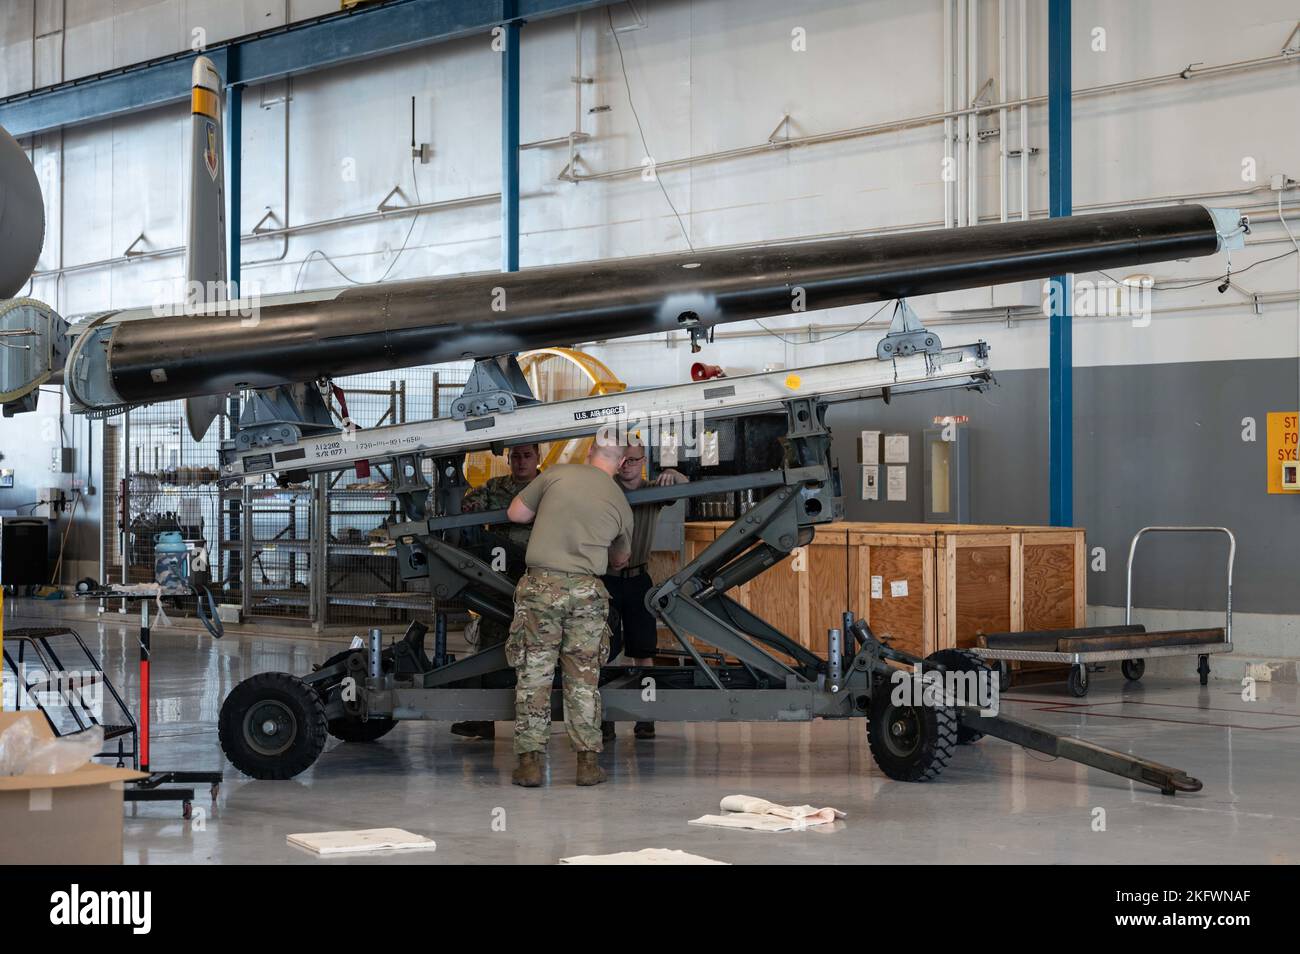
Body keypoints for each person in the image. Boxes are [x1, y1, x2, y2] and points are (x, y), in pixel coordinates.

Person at [504, 442, 634, 787]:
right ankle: (588, 764)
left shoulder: (556, 475)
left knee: (534, 673)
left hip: (541, 587)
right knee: (583, 680)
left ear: (589, 453)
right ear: (621, 462)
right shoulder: (621, 501)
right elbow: (621, 560)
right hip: (587, 593)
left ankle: (530, 765)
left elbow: (515, 515)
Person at [451, 443, 540, 741]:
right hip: (500, 575)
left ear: (538, 457)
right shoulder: (495, 487)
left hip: (537, 575)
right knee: (490, 643)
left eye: (527, 456)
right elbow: (466, 507)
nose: (521, 462)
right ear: (508, 459)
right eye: (516, 456)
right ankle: (483, 719)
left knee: (545, 647)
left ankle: (538, 719)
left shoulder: (549, 488)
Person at [601, 441, 688, 741]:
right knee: (605, 651)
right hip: (607, 579)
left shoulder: (654, 490)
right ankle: (605, 718)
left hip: (639, 578)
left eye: (634, 460)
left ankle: (645, 717)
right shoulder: (605, 488)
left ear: (644, 461)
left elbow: (685, 486)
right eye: (622, 460)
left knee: (643, 650)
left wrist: (673, 473)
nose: (627, 465)